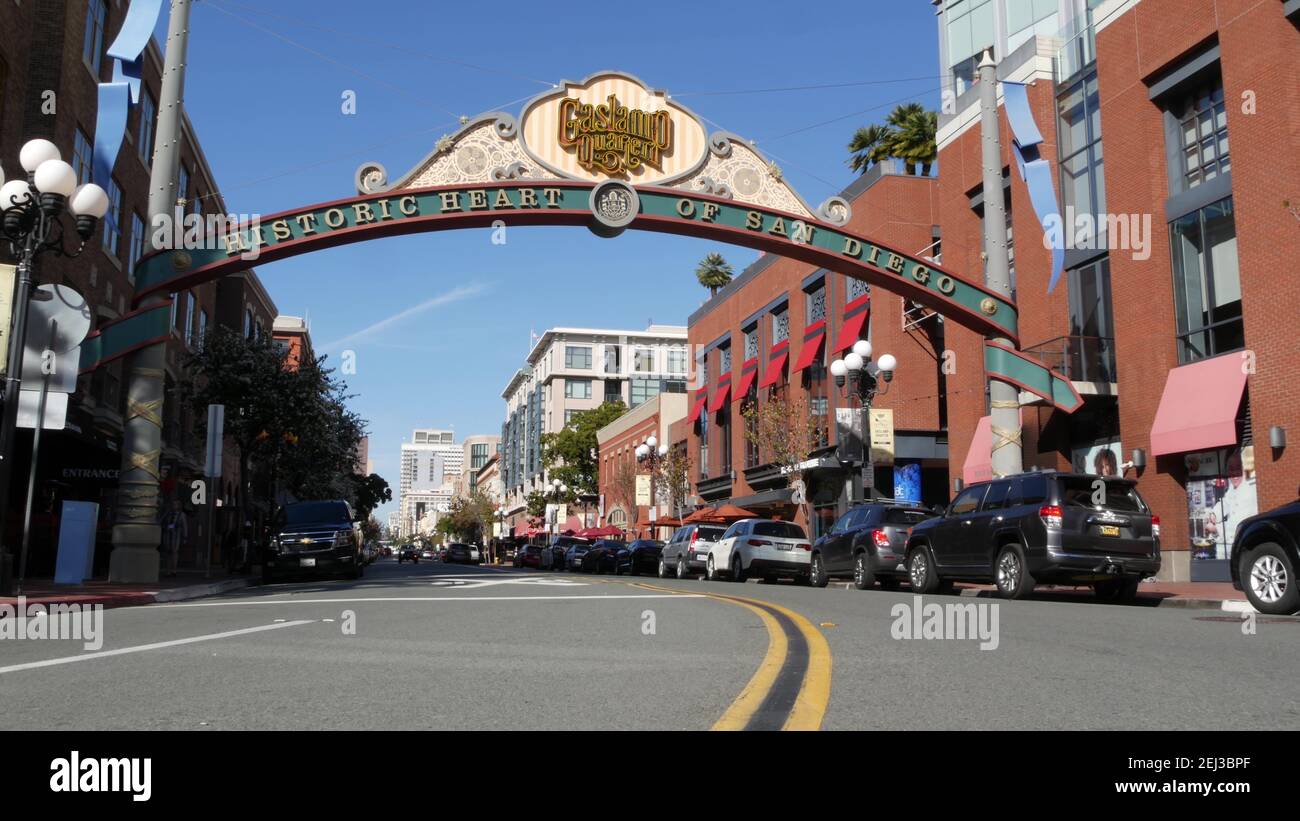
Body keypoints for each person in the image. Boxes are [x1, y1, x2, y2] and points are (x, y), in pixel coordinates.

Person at [161, 500, 187, 577]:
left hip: (176, 536)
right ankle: (168, 571)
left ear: (179, 506)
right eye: (173, 504)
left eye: (176, 504)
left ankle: (174, 570)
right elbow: (162, 522)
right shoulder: (168, 513)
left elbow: (184, 526)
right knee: (168, 553)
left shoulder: (181, 515)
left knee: (174, 552)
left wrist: (185, 537)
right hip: (168, 535)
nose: (174, 506)